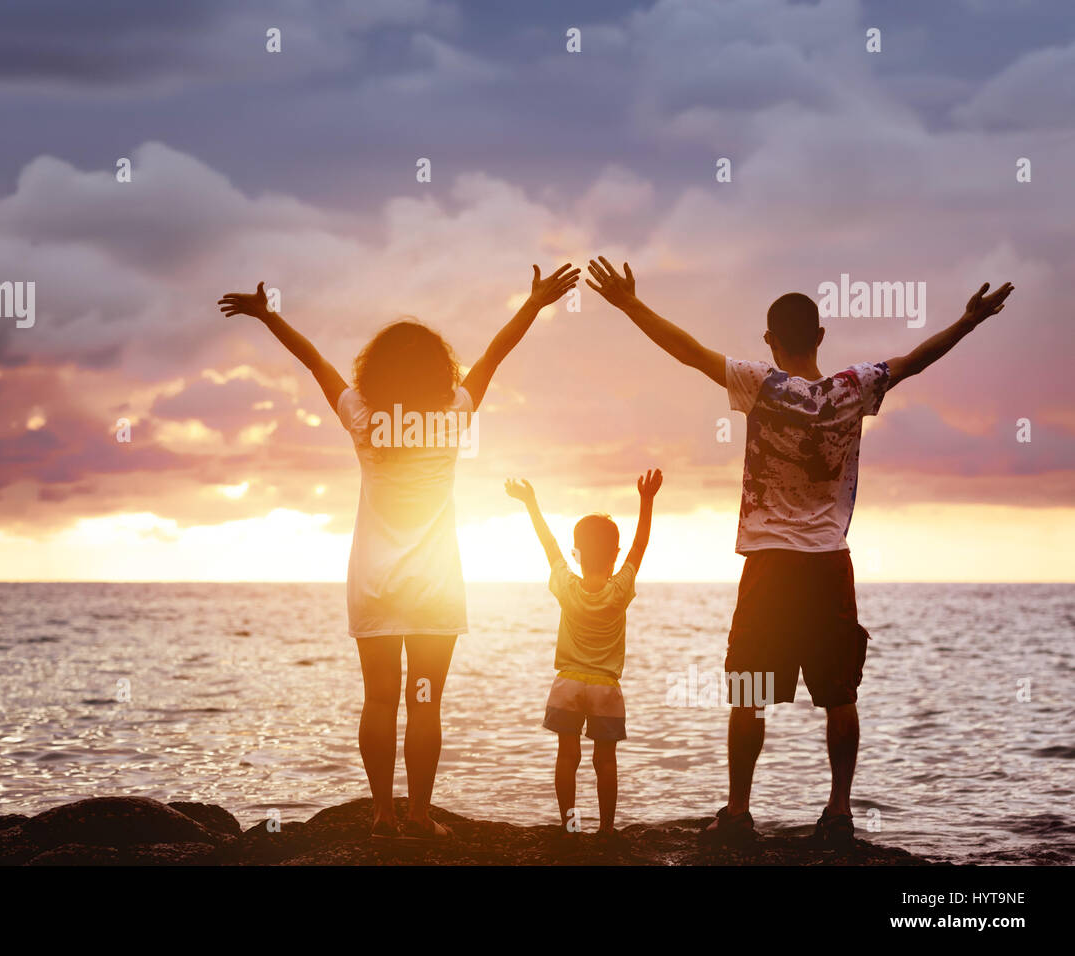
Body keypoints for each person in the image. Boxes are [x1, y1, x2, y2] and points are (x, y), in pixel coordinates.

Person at [585, 256, 1013, 844]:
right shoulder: (852, 386)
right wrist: (968, 321)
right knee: (839, 693)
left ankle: (738, 811)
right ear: (819, 337)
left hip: (770, 564)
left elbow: (687, 350)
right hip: (828, 563)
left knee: (749, 691)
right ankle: (838, 812)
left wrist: (631, 305)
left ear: (769, 339)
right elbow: (915, 361)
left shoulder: (758, 382)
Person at [217, 263, 580, 841]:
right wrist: (534, 303)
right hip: (435, 583)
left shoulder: (362, 417)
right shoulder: (452, 416)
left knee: (380, 698)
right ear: (439, 370)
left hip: (375, 579)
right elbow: (496, 353)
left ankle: (383, 816)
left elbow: (314, 361)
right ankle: (419, 816)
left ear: (376, 370)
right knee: (425, 702)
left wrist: (268, 316)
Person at [505, 469, 663, 836]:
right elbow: (640, 547)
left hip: (567, 686)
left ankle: (569, 826)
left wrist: (531, 504)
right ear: (615, 554)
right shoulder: (620, 589)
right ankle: (606, 829)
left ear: (576, 553)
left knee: (567, 757)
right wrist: (646, 500)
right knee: (605, 761)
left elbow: (548, 545)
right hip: (606, 688)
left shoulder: (565, 584)